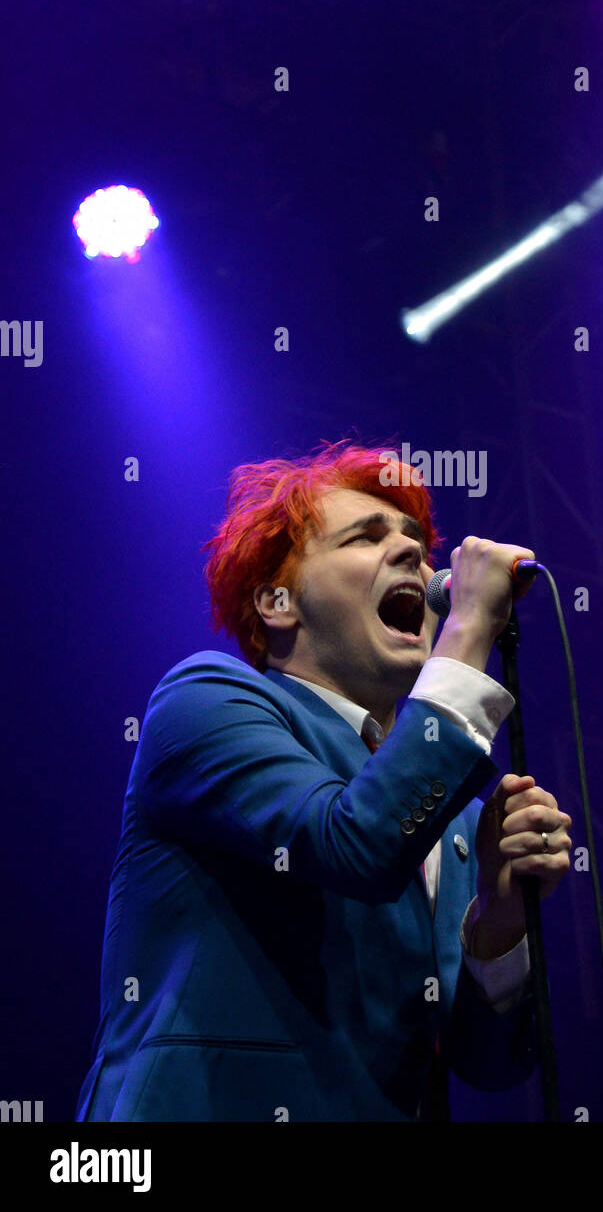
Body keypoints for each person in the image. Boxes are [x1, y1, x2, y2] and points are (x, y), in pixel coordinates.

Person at [75, 441, 572, 1121]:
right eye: (366, 537)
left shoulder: (451, 816)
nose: (412, 556)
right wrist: (470, 629)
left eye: (416, 543)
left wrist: (497, 918)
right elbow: (351, 843)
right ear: (278, 603)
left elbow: (489, 1066)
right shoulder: (203, 702)